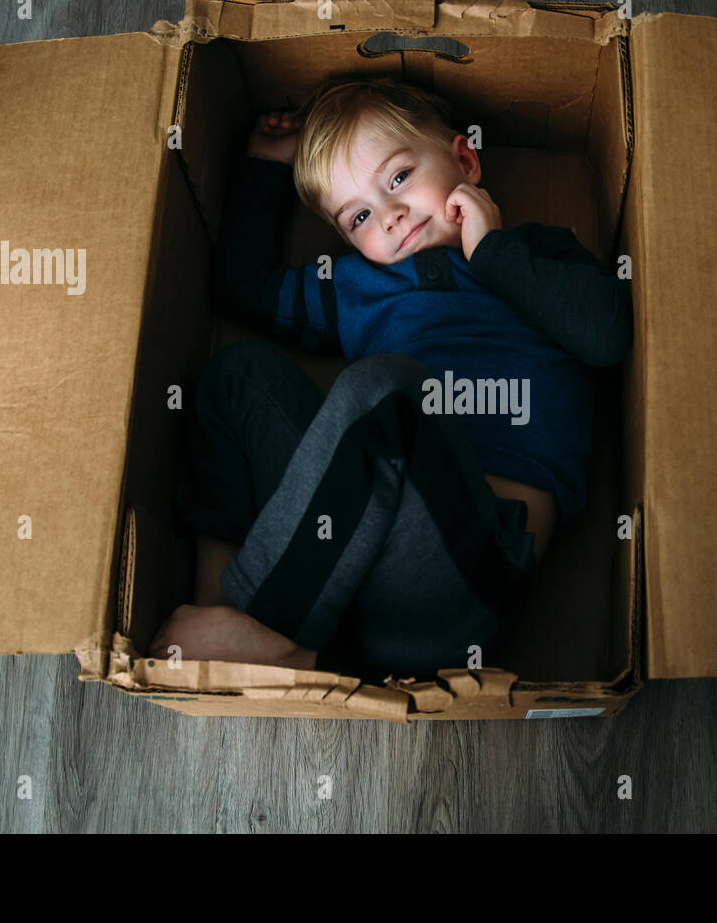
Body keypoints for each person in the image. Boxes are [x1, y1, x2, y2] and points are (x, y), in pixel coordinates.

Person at [149, 76, 632, 680]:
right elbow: (242, 288)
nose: (391, 215)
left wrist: (492, 253)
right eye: (358, 216)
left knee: (389, 389)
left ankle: (267, 624)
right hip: (344, 570)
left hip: (463, 576)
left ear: (464, 158)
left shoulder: (534, 258)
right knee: (236, 378)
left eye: (399, 178)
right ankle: (232, 615)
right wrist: (267, 164)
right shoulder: (355, 288)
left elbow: (606, 336)